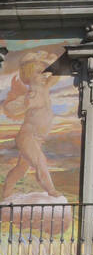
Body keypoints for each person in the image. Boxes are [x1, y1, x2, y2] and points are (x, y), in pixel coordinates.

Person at [0, 52, 62, 200]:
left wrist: (46, 58)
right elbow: (10, 108)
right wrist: (22, 104)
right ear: (28, 75)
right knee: (40, 162)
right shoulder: (31, 95)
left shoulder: (45, 88)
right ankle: (51, 191)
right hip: (28, 136)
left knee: (21, 169)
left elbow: (56, 74)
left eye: (45, 72)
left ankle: (5, 194)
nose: (45, 75)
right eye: (39, 72)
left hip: (37, 139)